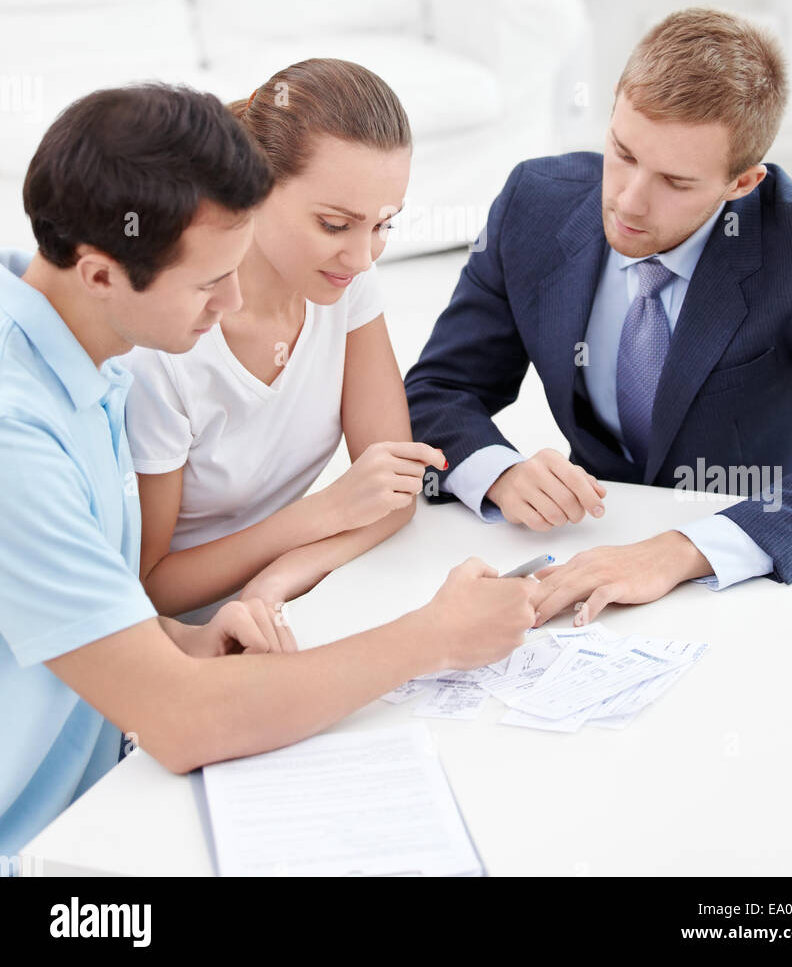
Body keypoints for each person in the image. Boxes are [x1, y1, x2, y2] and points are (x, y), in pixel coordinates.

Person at [0, 83, 536, 861]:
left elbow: (70, 614)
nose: (237, 298)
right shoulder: (20, 433)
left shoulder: (86, 351)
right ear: (100, 274)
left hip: (106, 787)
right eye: (209, 281)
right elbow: (181, 722)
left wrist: (185, 644)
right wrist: (436, 638)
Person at [404, 8, 792, 626]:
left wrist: (679, 551)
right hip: (588, 549)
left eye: (675, 181)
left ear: (743, 182)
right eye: (622, 152)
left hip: (747, 575)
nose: (627, 200)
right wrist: (499, 471)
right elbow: (436, 390)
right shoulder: (533, 202)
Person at [125, 59, 433, 623]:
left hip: (289, 604)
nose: (363, 257)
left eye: (384, 224)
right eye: (335, 226)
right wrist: (322, 514)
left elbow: (393, 493)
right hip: (180, 644)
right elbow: (146, 588)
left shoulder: (347, 287)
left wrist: (277, 582)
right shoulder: (167, 347)